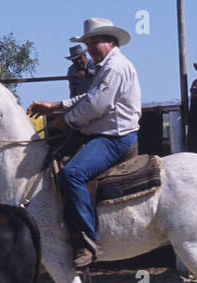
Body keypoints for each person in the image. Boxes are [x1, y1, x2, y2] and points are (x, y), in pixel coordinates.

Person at [27, 18, 141, 268]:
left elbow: (96, 105)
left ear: (109, 42)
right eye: (87, 44)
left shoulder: (115, 67)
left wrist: (65, 121)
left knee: (72, 174)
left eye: (92, 43)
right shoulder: (108, 65)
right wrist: (56, 105)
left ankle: (87, 241)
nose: (88, 49)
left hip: (114, 138)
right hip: (104, 133)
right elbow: (90, 97)